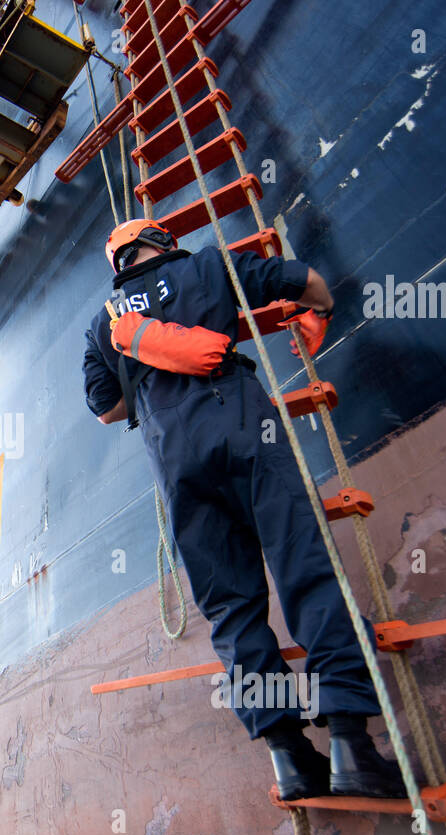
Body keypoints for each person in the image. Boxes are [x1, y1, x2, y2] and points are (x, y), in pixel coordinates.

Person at [82, 218, 406, 800]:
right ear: (162, 243)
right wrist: (321, 311)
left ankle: (290, 760)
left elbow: (106, 409)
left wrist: (149, 359)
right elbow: (304, 281)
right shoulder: (206, 265)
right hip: (242, 426)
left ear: (118, 264)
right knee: (303, 566)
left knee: (230, 608)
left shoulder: (100, 323)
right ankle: (352, 746)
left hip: (174, 458)